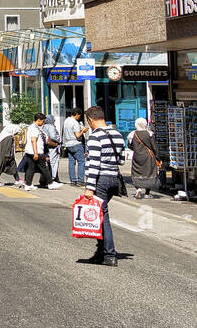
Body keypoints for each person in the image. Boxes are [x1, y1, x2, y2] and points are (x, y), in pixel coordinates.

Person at [84, 106, 126, 267]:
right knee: (99, 215)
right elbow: (121, 160)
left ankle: (109, 255)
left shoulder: (94, 137)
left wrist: (89, 186)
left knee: (102, 217)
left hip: (100, 180)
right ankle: (100, 253)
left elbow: (94, 164)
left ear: (90, 120)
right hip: (114, 178)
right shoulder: (117, 134)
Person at [15, 113, 52, 189]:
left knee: (30, 168)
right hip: (36, 152)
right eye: (43, 121)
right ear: (38, 120)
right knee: (44, 168)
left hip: (30, 151)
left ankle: (28, 184)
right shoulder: (35, 128)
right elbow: (33, 140)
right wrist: (36, 153)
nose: (43, 123)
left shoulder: (33, 127)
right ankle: (50, 183)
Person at [129, 117, 162, 200]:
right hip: (148, 157)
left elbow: (130, 146)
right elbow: (154, 147)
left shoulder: (132, 134)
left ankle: (138, 189)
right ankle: (147, 193)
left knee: (137, 172)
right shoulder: (149, 134)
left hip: (137, 157)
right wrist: (158, 157)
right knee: (149, 173)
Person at [61, 109, 87, 186]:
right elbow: (78, 135)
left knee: (71, 163)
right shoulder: (75, 123)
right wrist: (83, 130)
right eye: (79, 115)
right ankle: (80, 180)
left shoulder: (66, 121)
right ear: (77, 114)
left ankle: (73, 180)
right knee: (81, 162)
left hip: (68, 144)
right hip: (76, 143)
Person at [42, 112, 63, 184]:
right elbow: (53, 136)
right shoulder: (50, 127)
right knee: (54, 162)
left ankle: (47, 178)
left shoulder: (44, 126)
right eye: (53, 120)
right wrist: (60, 139)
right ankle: (53, 178)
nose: (54, 121)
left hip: (47, 147)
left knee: (48, 163)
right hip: (53, 147)